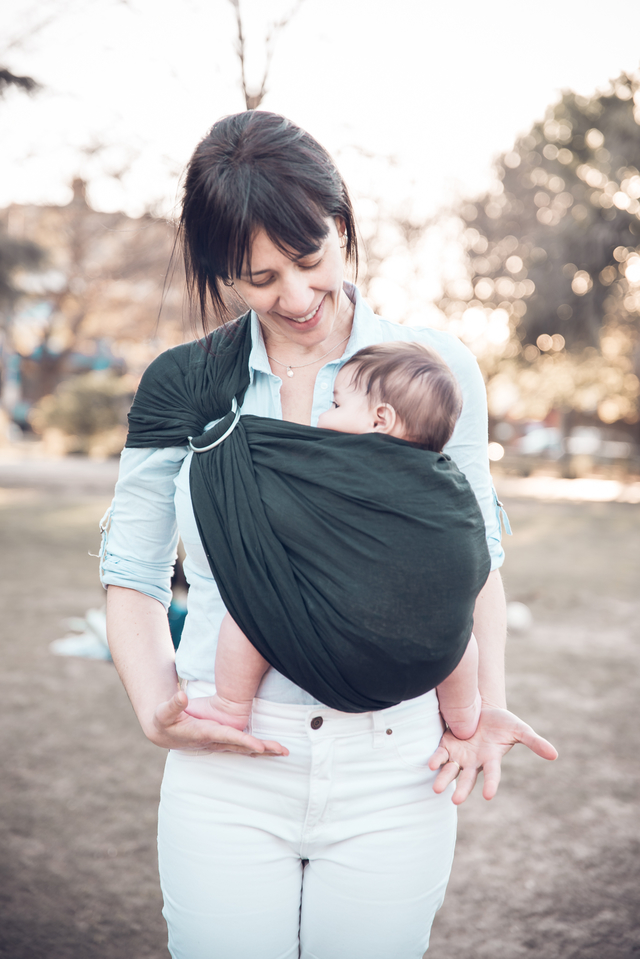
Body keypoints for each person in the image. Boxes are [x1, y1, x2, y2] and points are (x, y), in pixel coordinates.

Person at [101, 110, 557, 959]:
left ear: (341, 224)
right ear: (219, 272)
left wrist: (484, 704)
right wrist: (153, 705)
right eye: (259, 278)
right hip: (230, 764)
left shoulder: (432, 371)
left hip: (398, 766)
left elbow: (470, 554)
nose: (298, 299)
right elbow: (129, 565)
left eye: (311, 260)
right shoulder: (188, 386)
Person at [185, 340, 482, 742]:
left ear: (381, 418)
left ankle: (231, 706)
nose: (323, 419)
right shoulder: (449, 485)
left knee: (251, 607)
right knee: (459, 631)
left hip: (340, 646)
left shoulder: (336, 463)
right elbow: (470, 551)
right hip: (429, 657)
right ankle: (463, 714)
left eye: (337, 406)